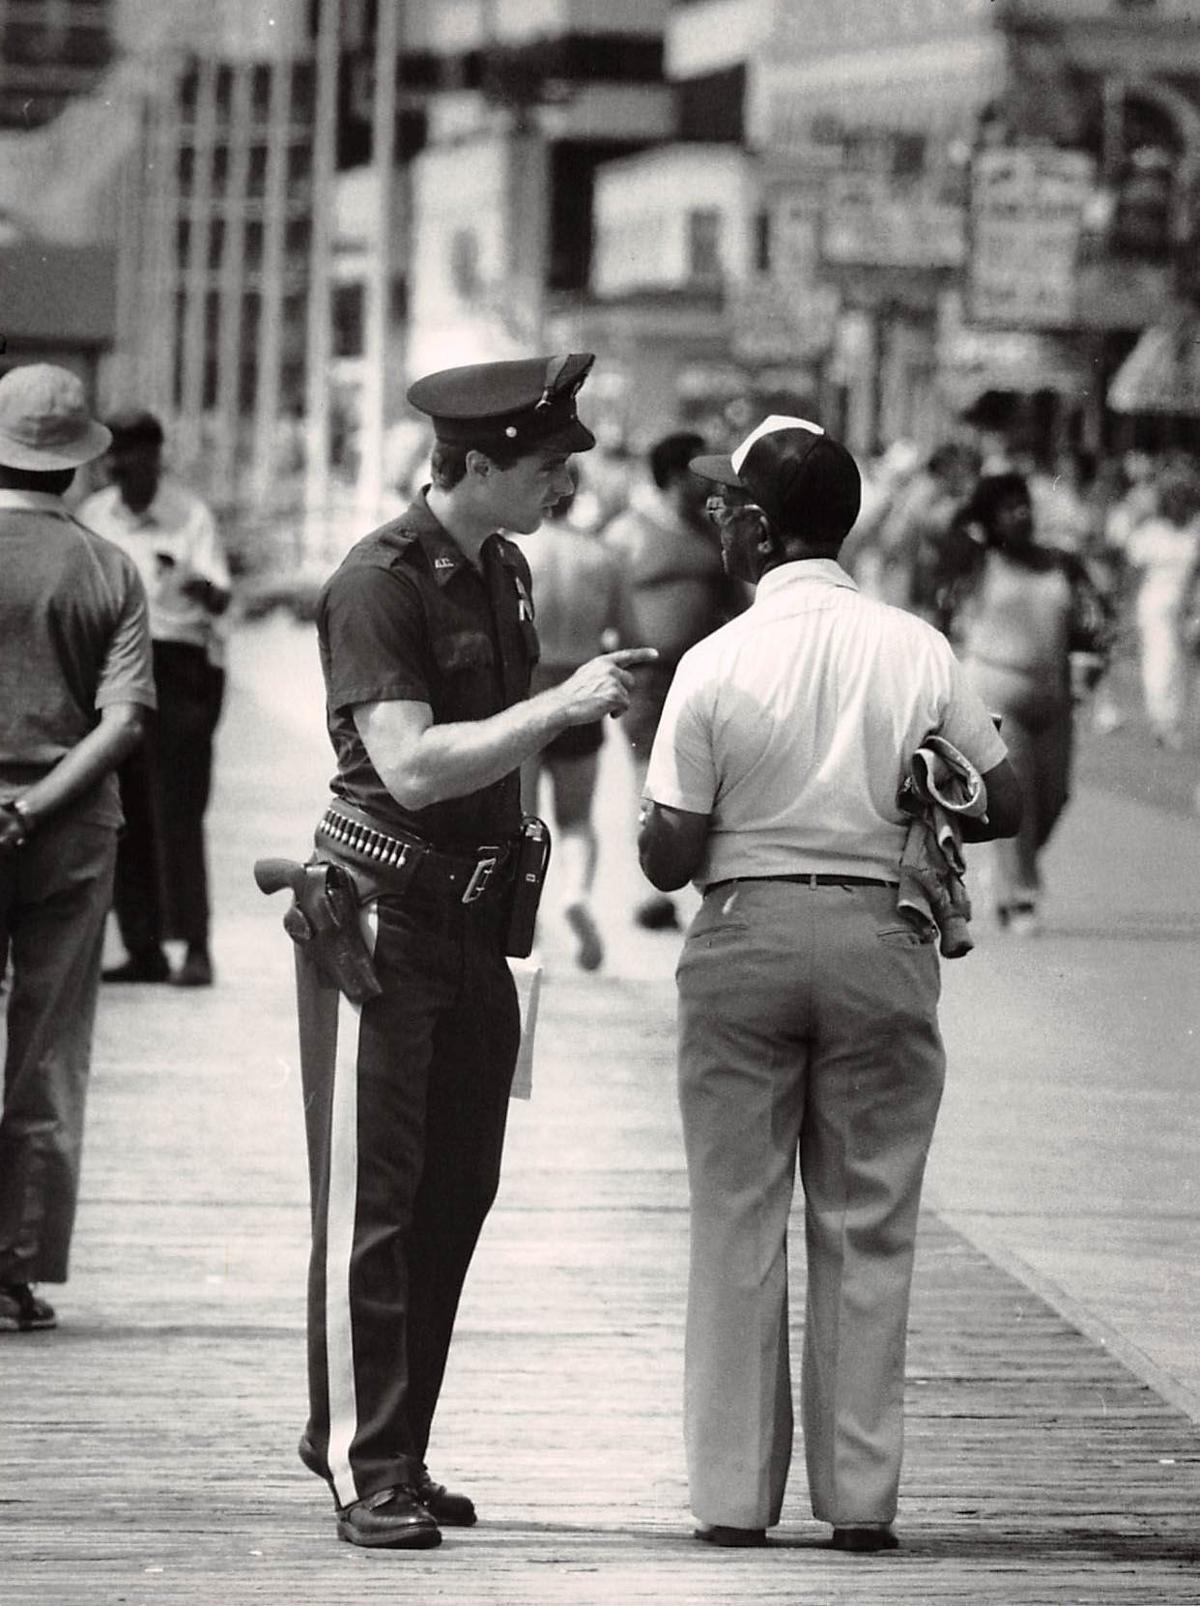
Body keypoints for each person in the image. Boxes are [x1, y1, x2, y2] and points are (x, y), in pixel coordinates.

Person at [636, 414, 1021, 1552]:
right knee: (867, 1223)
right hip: (879, 942)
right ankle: (860, 1500)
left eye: (728, 506)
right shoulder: (917, 649)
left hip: (744, 939)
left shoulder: (715, 661)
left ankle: (732, 1498)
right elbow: (1003, 800)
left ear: (761, 530)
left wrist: (676, 822)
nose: (716, 518)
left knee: (737, 1220)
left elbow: (668, 855)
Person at [292, 353, 655, 1550]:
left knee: (457, 1192)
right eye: (548, 466)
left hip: (476, 923)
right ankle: (366, 1466)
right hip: (386, 922)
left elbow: (494, 757)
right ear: (483, 462)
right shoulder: (379, 582)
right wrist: (560, 706)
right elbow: (407, 765)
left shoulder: (505, 569)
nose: (564, 485)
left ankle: (401, 1447)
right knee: (382, 1202)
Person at [0, 364, 155, 1332]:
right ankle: (12, 1270)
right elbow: (125, 719)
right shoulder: (110, 568)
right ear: (76, 462)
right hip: (70, 829)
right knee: (48, 1049)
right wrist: (30, 808)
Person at [78, 411, 231, 987]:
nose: (120, 466)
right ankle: (142, 948)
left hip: (177, 665)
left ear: (155, 457)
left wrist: (189, 579)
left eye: (132, 455)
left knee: (179, 808)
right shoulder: (94, 517)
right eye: (112, 455)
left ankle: (195, 946)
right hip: (113, 664)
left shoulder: (189, 515)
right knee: (124, 807)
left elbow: (220, 599)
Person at [948, 473, 1111, 935]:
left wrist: (1093, 666)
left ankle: (1008, 872)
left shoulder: (1062, 564)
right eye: (1008, 508)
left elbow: (1097, 621)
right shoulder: (978, 562)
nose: (1021, 513)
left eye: (1024, 504)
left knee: (1055, 797)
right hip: (996, 693)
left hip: (1054, 695)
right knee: (1017, 793)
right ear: (990, 519)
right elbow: (942, 541)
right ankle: (1020, 898)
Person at [603, 430, 736, 930]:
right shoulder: (626, 533)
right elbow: (601, 600)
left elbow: (737, 602)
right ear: (676, 476)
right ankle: (649, 892)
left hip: (707, 678)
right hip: (648, 680)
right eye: (700, 474)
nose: (710, 486)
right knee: (649, 779)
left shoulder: (715, 534)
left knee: (710, 780)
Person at [515, 467, 637, 970]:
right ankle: (576, 894)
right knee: (577, 818)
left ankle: (525, 922)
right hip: (582, 685)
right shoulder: (601, 555)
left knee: (520, 822)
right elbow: (628, 632)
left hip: (526, 692)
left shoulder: (516, 552)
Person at [1124, 463, 1200, 751]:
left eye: (1184, 496)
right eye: (1175, 496)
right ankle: (1160, 720)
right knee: (1160, 659)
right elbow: (1134, 572)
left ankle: (1173, 720)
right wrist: (1127, 609)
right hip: (1154, 603)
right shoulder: (1151, 532)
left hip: (1187, 604)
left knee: (1181, 664)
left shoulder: (1194, 532)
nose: (1180, 502)